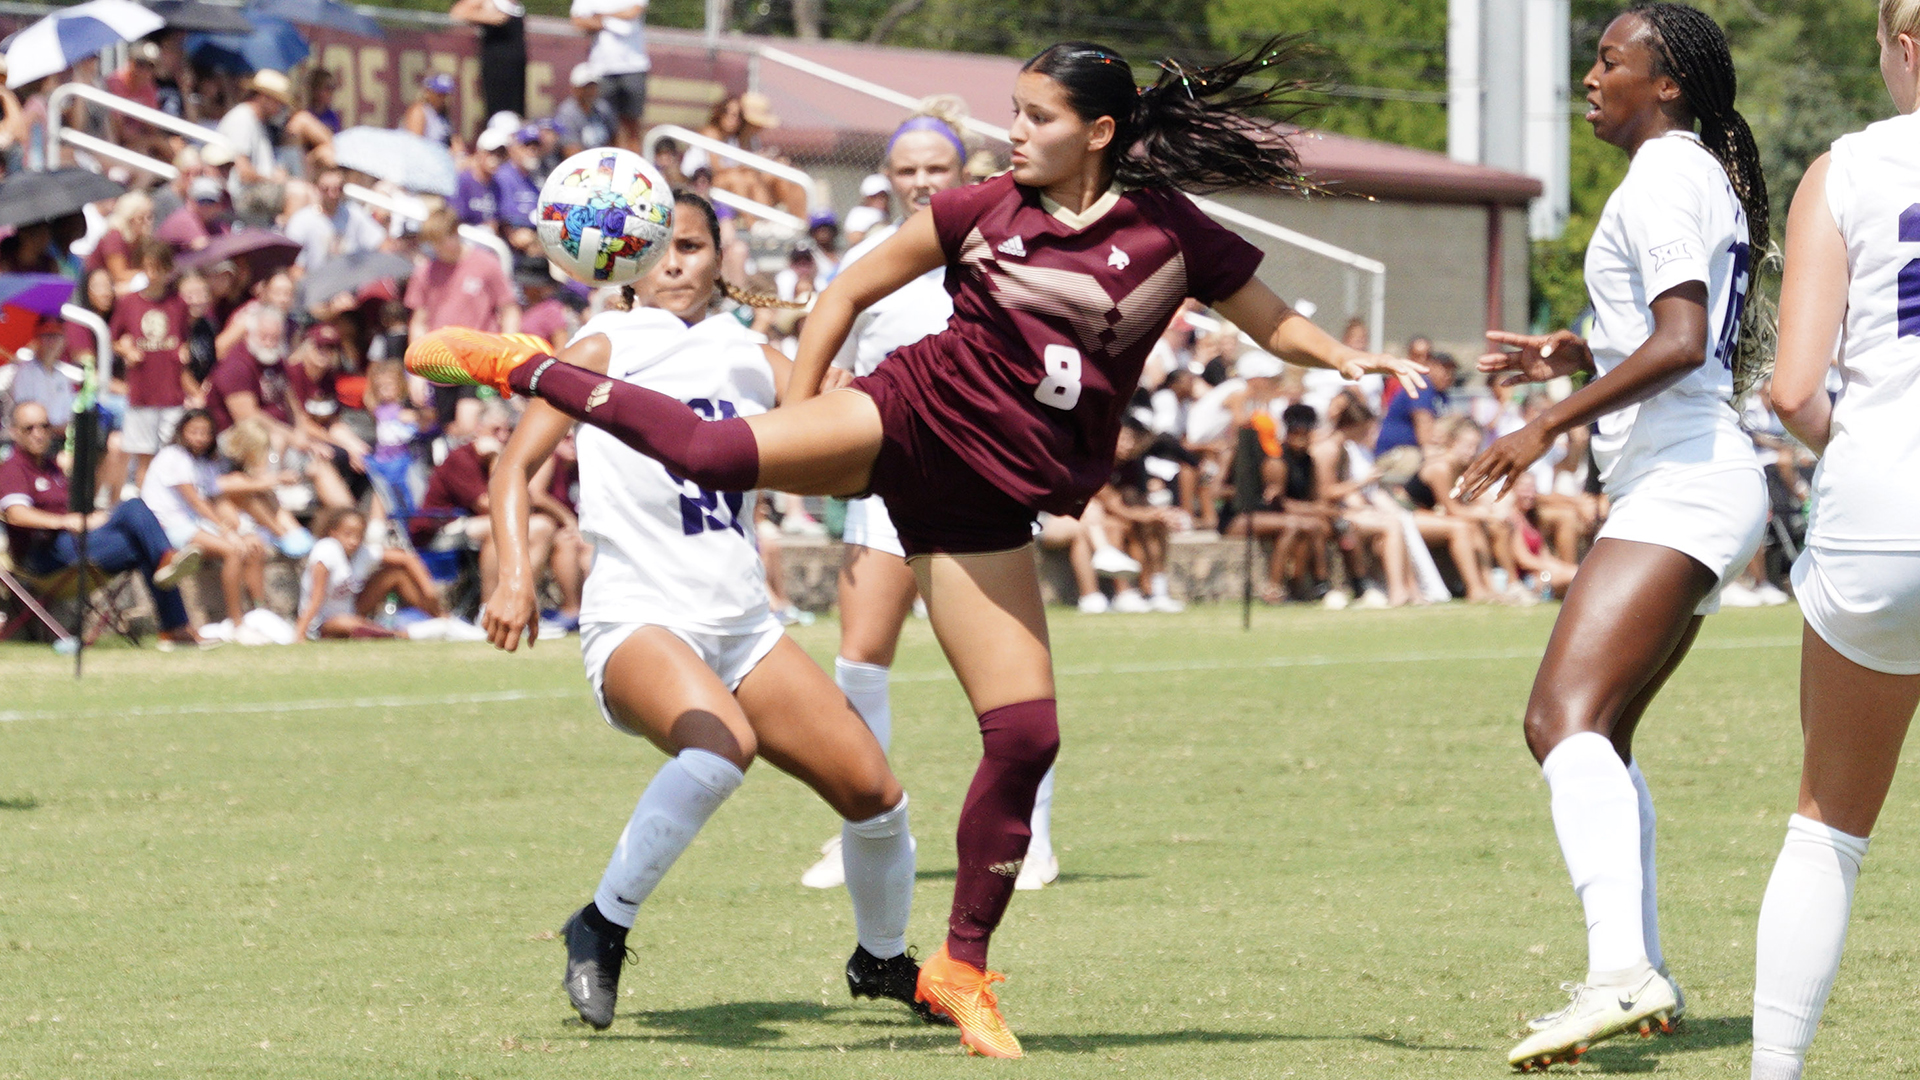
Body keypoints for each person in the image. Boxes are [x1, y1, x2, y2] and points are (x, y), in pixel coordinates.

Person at [407, 38, 1421, 1058]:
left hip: (986, 502)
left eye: (1037, 117)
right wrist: (800, 419)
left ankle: (958, 966)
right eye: (1015, 112)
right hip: (908, 418)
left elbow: (1272, 320)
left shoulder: (1169, 232)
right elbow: (846, 291)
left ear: (1100, 133)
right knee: (720, 453)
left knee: (1026, 738)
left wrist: (1345, 356)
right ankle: (520, 366)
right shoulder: (981, 208)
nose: (1014, 132)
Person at [466, 190, 929, 1033]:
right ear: (623, 262)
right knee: (722, 750)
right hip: (639, 616)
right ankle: (600, 926)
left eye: (691, 245)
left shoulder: (751, 352)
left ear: (723, 257)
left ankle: (883, 958)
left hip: (743, 625)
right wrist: (513, 575)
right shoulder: (605, 343)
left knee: (876, 796)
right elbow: (512, 467)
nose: (673, 261)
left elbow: (844, 430)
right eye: (657, 247)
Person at [1451, 4, 1772, 1068]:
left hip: (1684, 483)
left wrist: (1547, 420)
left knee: (1560, 717)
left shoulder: (1667, 175)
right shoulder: (1680, 174)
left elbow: (1683, 340)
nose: (1592, 76)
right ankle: (1638, 971)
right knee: (1601, 734)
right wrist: (1576, 352)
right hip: (1690, 481)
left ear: (1668, 84)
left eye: (1610, 60)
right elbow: (1666, 329)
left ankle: (1620, 973)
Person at [799, 99, 1065, 894]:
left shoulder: (1004, 244)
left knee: (1012, 684)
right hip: (886, 480)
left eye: (935, 170)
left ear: (965, 170)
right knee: (860, 660)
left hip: (980, 481)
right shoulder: (872, 259)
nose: (921, 183)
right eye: (907, 171)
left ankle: (1033, 841)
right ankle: (864, 830)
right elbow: (834, 358)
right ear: (888, 177)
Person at [1748, 4, 1920, 1076]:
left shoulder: (1846, 168)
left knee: (1828, 826)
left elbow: (1793, 388)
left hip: (1884, 509)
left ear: (1906, 47)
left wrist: (1857, 451)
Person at [0, 401, 203, 645]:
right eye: (29, 428)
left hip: (75, 544)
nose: (39, 433)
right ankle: (167, 565)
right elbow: (15, 514)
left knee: (141, 541)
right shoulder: (14, 468)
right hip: (44, 556)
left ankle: (174, 626)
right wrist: (67, 521)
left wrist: (91, 518)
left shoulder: (52, 467)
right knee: (132, 508)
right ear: (14, 431)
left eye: (44, 426)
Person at [138, 407, 270, 630]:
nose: (199, 438)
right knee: (233, 551)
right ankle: (236, 623)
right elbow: (196, 502)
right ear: (182, 432)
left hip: (193, 524)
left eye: (205, 433)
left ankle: (260, 613)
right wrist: (227, 532)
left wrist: (241, 530)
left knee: (254, 546)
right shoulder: (173, 457)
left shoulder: (206, 463)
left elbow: (217, 501)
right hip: (167, 526)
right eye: (194, 432)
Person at [406, 208, 518, 440]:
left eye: (442, 239)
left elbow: (509, 309)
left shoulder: (485, 264)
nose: (439, 247)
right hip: (441, 363)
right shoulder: (425, 272)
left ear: (454, 232)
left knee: (470, 421)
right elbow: (419, 321)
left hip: (480, 358)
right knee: (450, 430)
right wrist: (415, 371)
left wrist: (508, 349)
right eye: (434, 242)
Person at [295, 507, 460, 640]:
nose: (354, 541)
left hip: (351, 611)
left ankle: (445, 621)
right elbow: (315, 597)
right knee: (347, 624)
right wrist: (300, 633)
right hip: (322, 623)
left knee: (395, 574)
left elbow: (407, 558)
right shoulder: (326, 550)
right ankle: (403, 635)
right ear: (333, 533)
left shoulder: (363, 552)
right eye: (348, 534)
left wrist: (428, 589)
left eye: (359, 535)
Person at [110, 239, 198, 488]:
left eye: (158, 268)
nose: (152, 274)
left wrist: (184, 350)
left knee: (173, 456)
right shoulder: (129, 302)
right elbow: (113, 338)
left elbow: (184, 338)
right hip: (142, 393)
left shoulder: (178, 303)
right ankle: (146, 507)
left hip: (172, 392)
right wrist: (126, 350)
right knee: (145, 458)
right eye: (147, 267)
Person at [569, 0, 649, 151]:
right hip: (602, 69)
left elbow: (634, 11)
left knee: (632, 125)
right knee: (608, 127)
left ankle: (634, 167)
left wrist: (601, 16)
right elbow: (578, 21)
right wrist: (611, 21)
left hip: (633, 65)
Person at [285, 168, 386, 274]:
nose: (332, 195)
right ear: (317, 189)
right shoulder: (302, 221)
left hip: (350, 283)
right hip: (316, 283)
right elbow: (296, 267)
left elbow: (380, 243)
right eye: (326, 189)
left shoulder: (353, 213)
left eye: (338, 189)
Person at [216, 70, 292, 196]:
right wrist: (274, 180)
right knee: (298, 192)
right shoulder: (242, 118)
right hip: (244, 194)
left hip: (259, 190)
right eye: (278, 102)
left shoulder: (259, 122)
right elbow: (243, 172)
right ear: (264, 97)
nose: (280, 108)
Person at [451, 0, 526, 122]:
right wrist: (490, 18)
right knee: (497, 110)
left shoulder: (515, 5)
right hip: (496, 66)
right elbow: (457, 13)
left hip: (516, 70)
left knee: (515, 113)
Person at [552, 63, 616, 156]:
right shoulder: (566, 114)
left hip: (604, 163)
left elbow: (614, 140)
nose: (589, 91)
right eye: (585, 87)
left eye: (592, 86)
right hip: (579, 164)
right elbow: (571, 151)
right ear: (574, 88)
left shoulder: (603, 109)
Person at [402, 73, 455, 149]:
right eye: (439, 94)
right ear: (428, 92)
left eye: (445, 95)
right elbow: (414, 144)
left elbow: (452, 142)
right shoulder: (420, 112)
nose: (443, 98)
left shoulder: (443, 116)